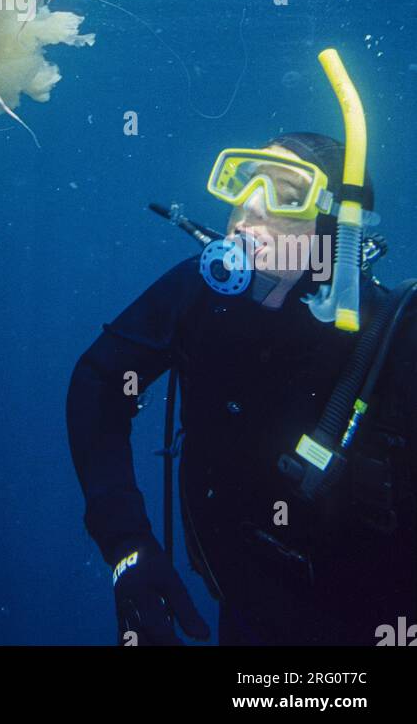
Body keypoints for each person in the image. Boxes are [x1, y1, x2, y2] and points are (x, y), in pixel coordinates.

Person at [67, 114, 417, 647]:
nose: (250, 205)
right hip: (246, 612)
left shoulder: (394, 342)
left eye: (286, 194)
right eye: (243, 182)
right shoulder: (197, 296)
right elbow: (100, 385)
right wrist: (127, 548)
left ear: (337, 233)